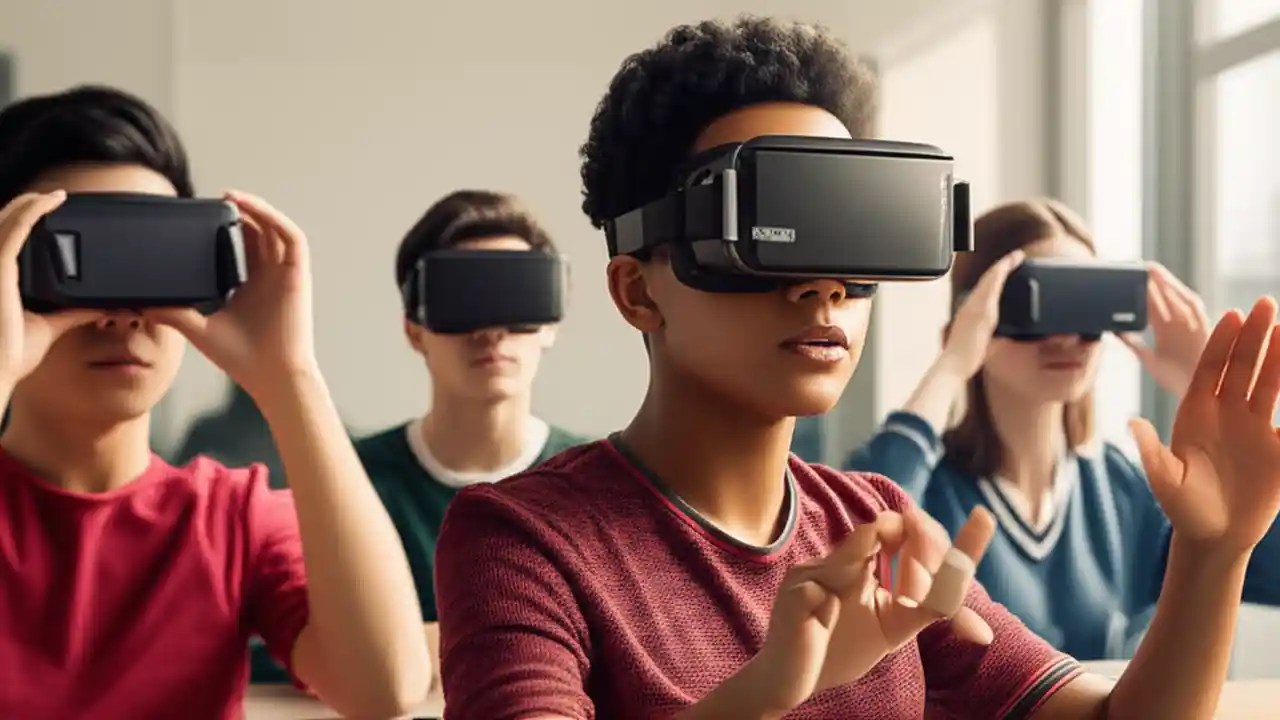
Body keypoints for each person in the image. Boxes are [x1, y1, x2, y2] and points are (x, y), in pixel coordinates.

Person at [432, 16, 1280, 719]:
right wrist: (765, 695)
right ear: (638, 291)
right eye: (772, 230)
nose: (823, 286)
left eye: (851, 235)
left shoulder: (877, 525)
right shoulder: (521, 542)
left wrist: (1214, 552)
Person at [0, 86, 429, 719]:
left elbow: (385, 686)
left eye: (150, 258)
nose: (122, 315)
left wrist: (290, 376)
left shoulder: (233, 520)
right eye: (78, 263)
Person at [847, 199, 1280, 660]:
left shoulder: (1125, 492)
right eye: (1040, 305)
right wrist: (951, 365)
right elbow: (848, 538)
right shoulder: (928, 490)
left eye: (1085, 304)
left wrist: (1211, 390)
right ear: (977, 317)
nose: (1067, 337)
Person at [348, 189, 587, 680]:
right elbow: (290, 646)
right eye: (463, 298)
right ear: (415, 330)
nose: (491, 330)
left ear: (551, 325)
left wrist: (412, 643)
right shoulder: (348, 482)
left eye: (516, 298)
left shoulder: (598, 485)